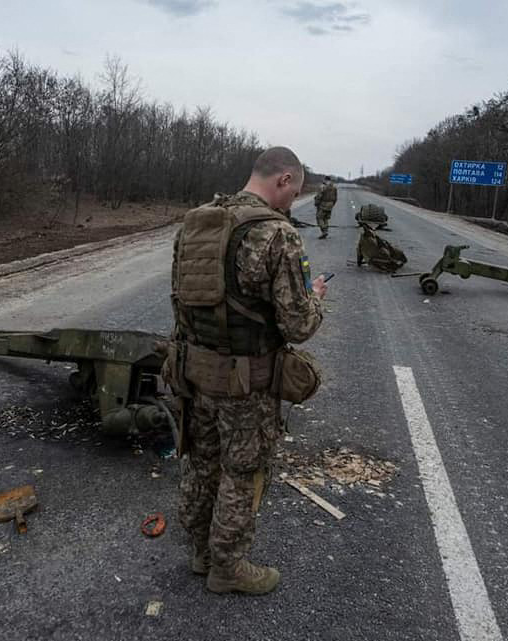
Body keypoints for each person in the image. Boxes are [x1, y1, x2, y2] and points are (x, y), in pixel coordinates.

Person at [167, 146, 327, 595]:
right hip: (246, 383)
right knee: (243, 471)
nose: (292, 201)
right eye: (294, 191)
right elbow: (298, 325)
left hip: (194, 372)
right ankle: (227, 567)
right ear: (282, 180)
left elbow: (179, 302)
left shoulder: (196, 222)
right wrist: (316, 299)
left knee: (201, 462)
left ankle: (200, 551)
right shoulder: (277, 234)